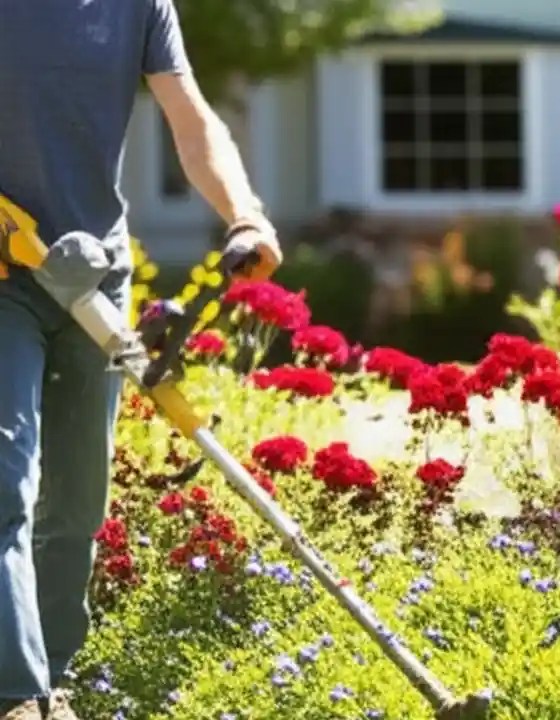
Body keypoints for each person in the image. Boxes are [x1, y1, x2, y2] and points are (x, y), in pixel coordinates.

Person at [0, 2, 282, 718]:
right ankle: (15, 694)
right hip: (4, 272)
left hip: (94, 274)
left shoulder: (139, 6)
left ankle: (51, 683)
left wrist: (244, 213)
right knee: (4, 482)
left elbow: (191, 121)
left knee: (77, 501)